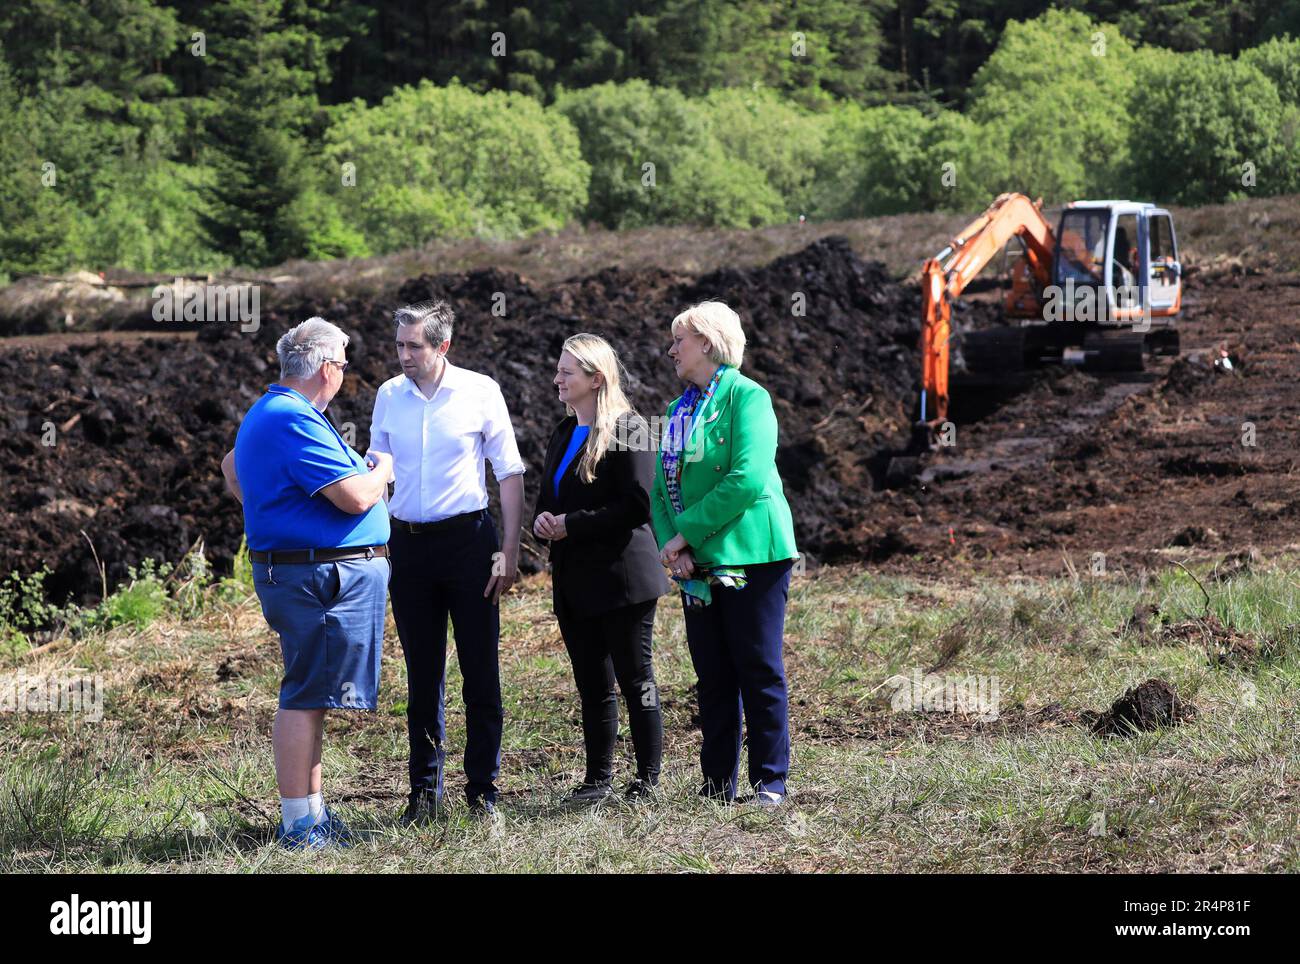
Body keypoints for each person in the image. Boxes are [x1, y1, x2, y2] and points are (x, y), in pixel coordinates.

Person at [220, 316, 393, 850]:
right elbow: (356, 498)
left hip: (307, 570)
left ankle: (312, 815)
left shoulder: (276, 412)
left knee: (313, 692)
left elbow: (231, 467)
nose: (344, 373)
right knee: (304, 695)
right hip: (315, 576)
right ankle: (298, 824)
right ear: (324, 368)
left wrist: (274, 512)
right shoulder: (291, 417)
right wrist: (382, 470)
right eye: (342, 364)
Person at [368, 300, 525, 823]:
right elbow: (377, 472)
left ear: (443, 346)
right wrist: (378, 539)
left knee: (480, 670)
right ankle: (424, 792)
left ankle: (483, 791)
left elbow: (508, 473)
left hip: (470, 544)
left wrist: (510, 546)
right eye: (399, 345)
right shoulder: (389, 396)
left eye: (414, 346)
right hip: (408, 547)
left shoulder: (481, 391)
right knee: (422, 675)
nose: (404, 355)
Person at [651, 301, 799, 807]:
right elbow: (658, 492)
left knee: (757, 668)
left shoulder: (749, 398)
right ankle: (716, 785)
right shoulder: (675, 411)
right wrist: (676, 547)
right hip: (697, 562)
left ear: (709, 344)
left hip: (753, 554)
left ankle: (770, 782)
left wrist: (685, 534)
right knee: (712, 675)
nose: (671, 349)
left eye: (680, 341)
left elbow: (746, 478)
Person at [532, 334, 669, 806]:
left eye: (566, 372)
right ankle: (597, 781)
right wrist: (544, 521)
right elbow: (549, 499)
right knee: (592, 682)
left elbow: (637, 506)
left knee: (636, 679)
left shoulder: (632, 428)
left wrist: (572, 524)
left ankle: (648, 780)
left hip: (622, 579)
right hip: (573, 579)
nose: (557, 379)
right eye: (558, 370)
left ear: (596, 378)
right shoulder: (562, 431)